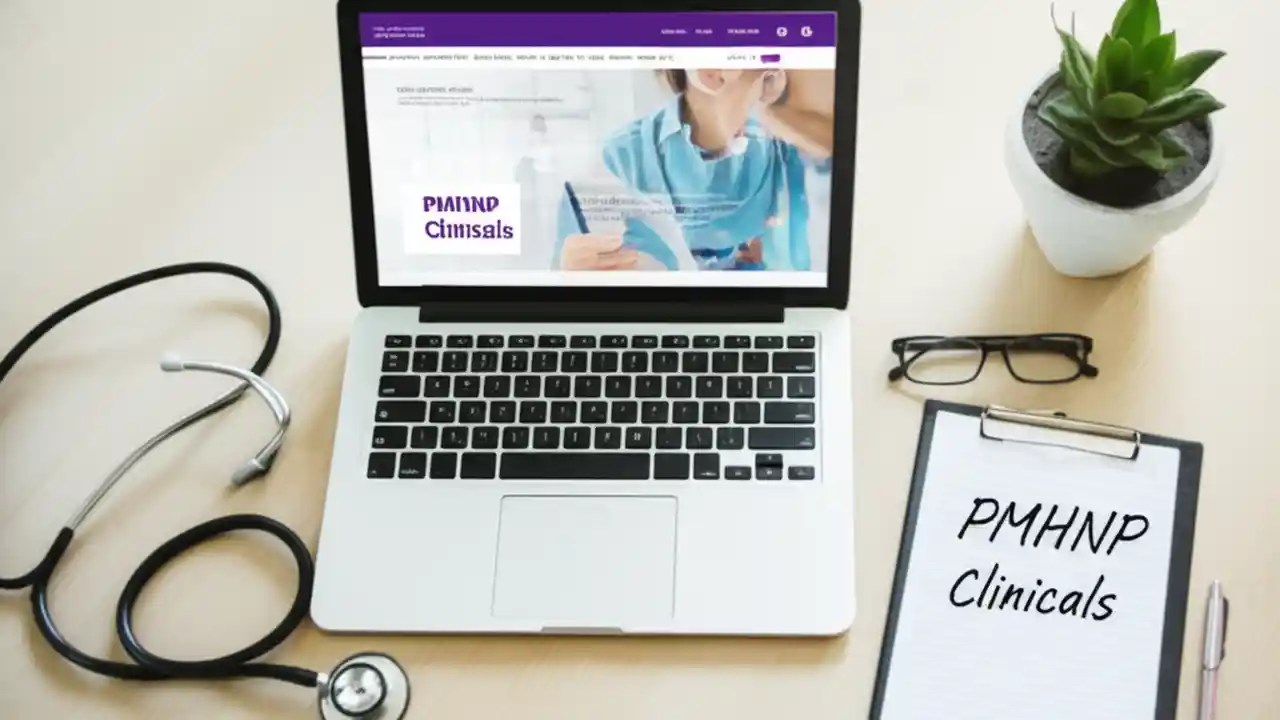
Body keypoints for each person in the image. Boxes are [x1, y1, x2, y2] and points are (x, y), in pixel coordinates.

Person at [553, 68, 834, 272]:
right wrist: (568, 279)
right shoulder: (618, 158)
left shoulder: (786, 145)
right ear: (712, 71)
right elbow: (558, 287)